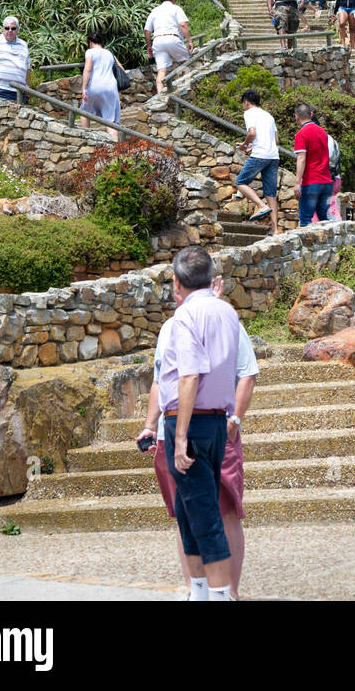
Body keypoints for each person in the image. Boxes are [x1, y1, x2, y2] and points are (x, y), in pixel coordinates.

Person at [138, 273, 259, 599]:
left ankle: (228, 593)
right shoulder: (168, 328)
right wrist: (150, 425)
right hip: (171, 431)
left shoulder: (227, 322)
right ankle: (197, 591)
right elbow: (158, 381)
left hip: (212, 429)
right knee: (185, 513)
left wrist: (233, 420)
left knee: (224, 510)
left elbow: (247, 375)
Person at [155, 246, 240, 602]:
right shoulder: (228, 312)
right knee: (190, 511)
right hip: (218, 421)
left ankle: (217, 596)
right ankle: (200, 593)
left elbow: (189, 376)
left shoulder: (183, 318)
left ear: (177, 282)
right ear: (210, 278)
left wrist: (179, 438)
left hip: (189, 421)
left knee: (203, 515)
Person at [234, 88, 281, 231]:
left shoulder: (249, 113)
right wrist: (252, 145)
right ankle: (275, 230)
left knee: (240, 182)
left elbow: (252, 133)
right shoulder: (269, 116)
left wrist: (244, 145)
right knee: (270, 193)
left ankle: (261, 206)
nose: (243, 106)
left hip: (260, 155)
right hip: (273, 156)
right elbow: (277, 140)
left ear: (247, 102)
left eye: (243, 103)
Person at [79, 29, 126, 142]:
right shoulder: (109, 53)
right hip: (110, 88)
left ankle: (86, 139)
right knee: (110, 121)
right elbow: (122, 70)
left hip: (95, 86)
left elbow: (87, 70)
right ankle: (117, 149)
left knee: (84, 112)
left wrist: (84, 88)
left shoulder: (90, 52)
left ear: (90, 42)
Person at [144, 0, 194, 93]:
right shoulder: (176, 8)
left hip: (157, 41)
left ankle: (159, 97)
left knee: (161, 71)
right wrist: (189, 41)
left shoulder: (155, 11)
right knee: (185, 63)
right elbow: (183, 25)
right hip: (172, 38)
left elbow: (147, 30)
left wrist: (149, 46)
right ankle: (186, 90)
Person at [293, 102, 333, 227]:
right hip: (326, 182)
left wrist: (297, 182)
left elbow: (301, 158)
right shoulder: (323, 132)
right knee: (324, 220)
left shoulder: (301, 134)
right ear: (311, 114)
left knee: (305, 220)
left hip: (311, 182)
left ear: (296, 117)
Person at [0, 17, 31, 102]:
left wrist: (26, 87)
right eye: (7, 28)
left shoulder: (24, 45)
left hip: (19, 92)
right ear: (3, 29)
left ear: (17, 29)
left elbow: (27, 67)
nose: (10, 30)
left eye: (13, 28)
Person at [311, 111, 342, 221]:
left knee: (314, 214)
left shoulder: (315, 137)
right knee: (332, 211)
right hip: (335, 180)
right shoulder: (331, 139)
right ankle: (342, 234)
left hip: (321, 180)